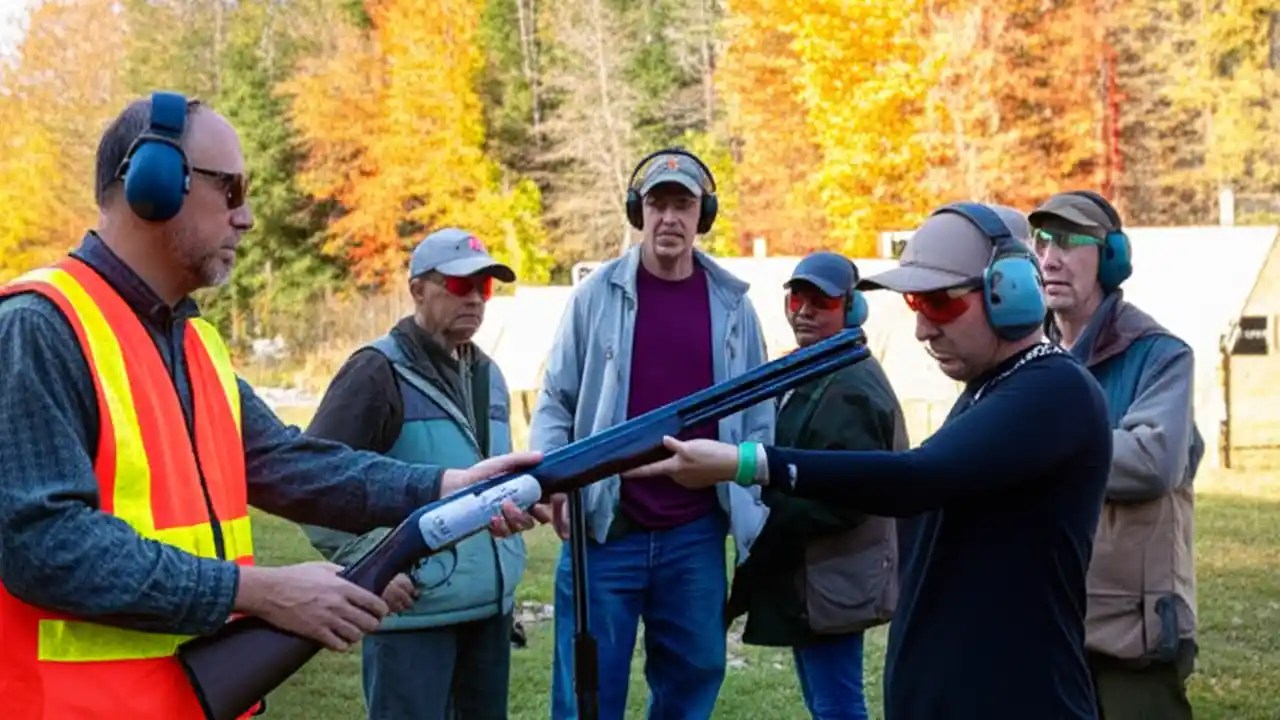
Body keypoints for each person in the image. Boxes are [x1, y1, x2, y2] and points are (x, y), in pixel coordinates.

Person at [0, 92, 545, 719]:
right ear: (153, 183)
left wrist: (450, 485)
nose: (248, 216)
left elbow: (291, 461)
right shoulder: (39, 327)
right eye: (229, 189)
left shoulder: (191, 340)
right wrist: (258, 592)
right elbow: (45, 546)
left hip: (193, 701)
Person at [626, 202, 1115, 720]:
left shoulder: (1054, 387)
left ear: (1009, 291)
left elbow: (918, 478)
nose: (924, 330)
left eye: (940, 304)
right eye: (914, 304)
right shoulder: (991, 389)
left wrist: (748, 462)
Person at [530, 147, 775, 719]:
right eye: (657, 204)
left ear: (702, 214)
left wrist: (750, 495)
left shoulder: (734, 306)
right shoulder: (596, 295)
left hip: (694, 533)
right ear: (638, 211)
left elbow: (759, 414)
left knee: (693, 682)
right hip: (605, 530)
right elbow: (556, 400)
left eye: (682, 204)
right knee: (587, 693)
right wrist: (553, 481)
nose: (669, 218)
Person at [300, 227, 528, 720]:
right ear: (417, 289)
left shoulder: (490, 376)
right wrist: (370, 561)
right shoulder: (374, 372)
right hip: (412, 615)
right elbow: (312, 481)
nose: (474, 299)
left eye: (484, 287)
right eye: (458, 284)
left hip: (489, 613)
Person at [1029, 191, 1202, 720]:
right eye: (1042, 241)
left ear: (1112, 258)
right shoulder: (1030, 354)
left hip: (1133, 628)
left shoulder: (1161, 354)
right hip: (1052, 617)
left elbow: (1152, 460)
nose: (1050, 257)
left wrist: (1040, 447)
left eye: (1071, 241)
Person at [725, 251, 906, 720]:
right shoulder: (818, 367)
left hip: (831, 578)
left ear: (851, 308)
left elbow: (847, 497)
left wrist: (767, 516)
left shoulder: (850, 384)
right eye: (797, 299)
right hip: (818, 576)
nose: (804, 311)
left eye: (820, 302)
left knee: (837, 705)